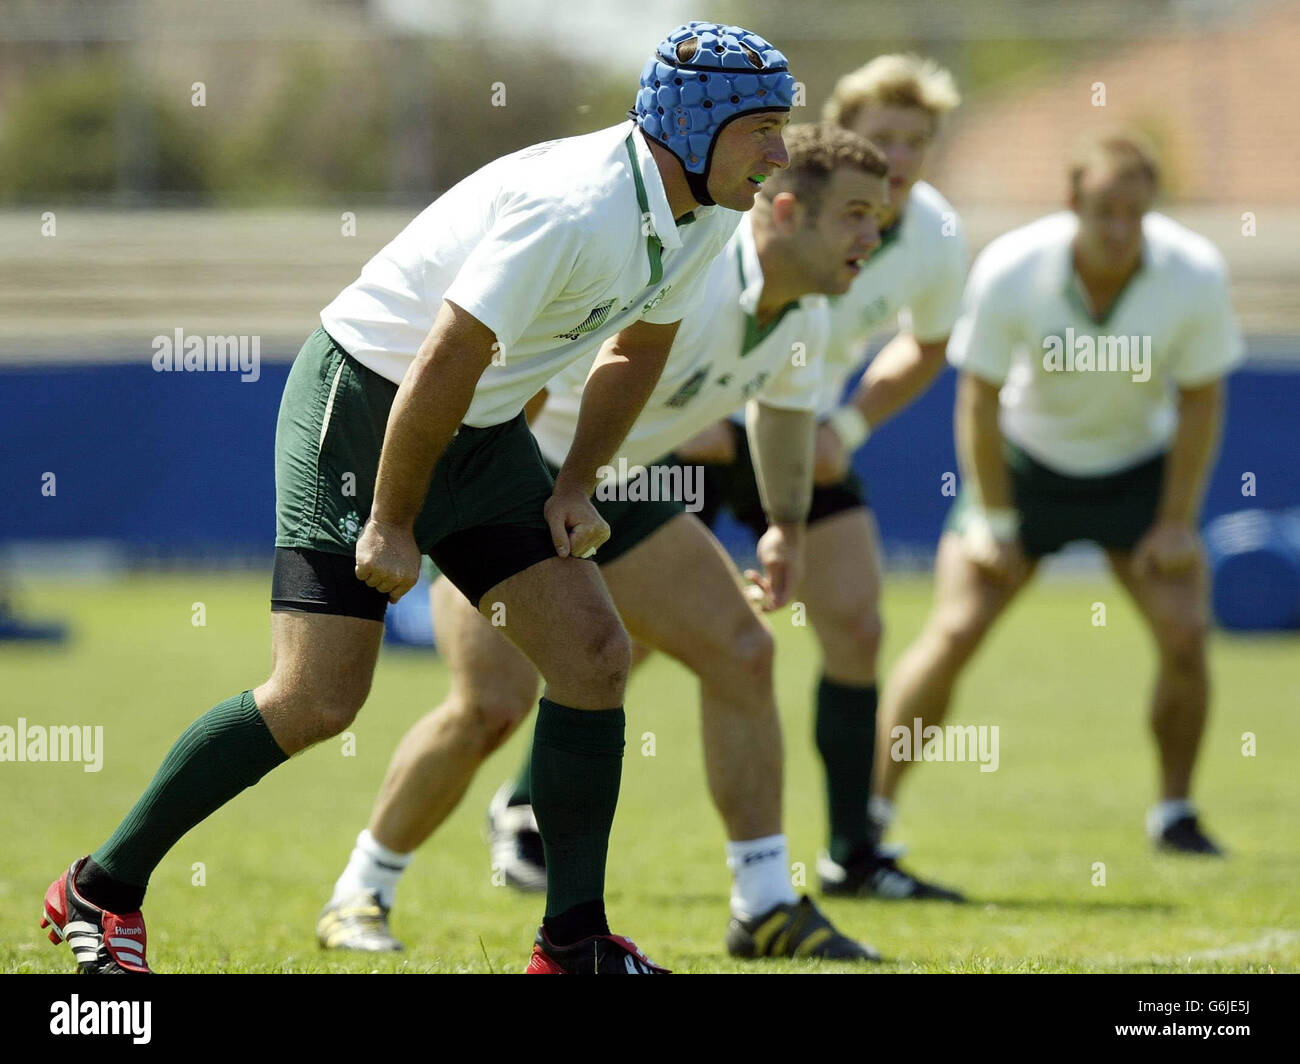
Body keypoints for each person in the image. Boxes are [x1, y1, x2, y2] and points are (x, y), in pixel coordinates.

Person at [40, 20, 795, 976]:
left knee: (595, 656)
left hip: (473, 428)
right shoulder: (574, 205)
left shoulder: (712, 212)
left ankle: (572, 944)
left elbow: (635, 348)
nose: (780, 152)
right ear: (693, 125)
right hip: (364, 408)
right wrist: (393, 522)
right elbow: (444, 355)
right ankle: (101, 889)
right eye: (763, 127)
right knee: (317, 699)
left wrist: (574, 483)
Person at [316, 123, 891, 964]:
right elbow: (533, 362)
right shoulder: (694, 266)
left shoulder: (800, 314)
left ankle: (764, 906)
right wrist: (478, 500)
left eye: (879, 218)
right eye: (856, 216)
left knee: (744, 652)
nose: (873, 237)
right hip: (514, 482)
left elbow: (785, 413)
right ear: (788, 212)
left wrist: (787, 529)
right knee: (489, 708)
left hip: (613, 491)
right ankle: (359, 893)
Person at [874, 129, 1242, 880]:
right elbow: (976, 399)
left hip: (1138, 473)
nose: (1118, 229)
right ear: (1073, 202)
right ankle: (869, 816)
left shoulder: (1194, 274)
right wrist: (997, 523)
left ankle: (1174, 812)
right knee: (953, 631)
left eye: (1134, 213)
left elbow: (1202, 399)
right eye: (1104, 210)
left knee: (1186, 631)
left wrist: (1175, 519)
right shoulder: (1012, 268)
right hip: (1024, 469)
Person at [673, 54, 969, 899]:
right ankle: (527, 811)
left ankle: (851, 850)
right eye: (883, 137)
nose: (902, 155)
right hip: (694, 427)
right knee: (638, 633)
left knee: (857, 624)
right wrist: (677, 410)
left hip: (794, 426)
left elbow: (932, 343)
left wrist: (850, 425)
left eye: (918, 140)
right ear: (842, 134)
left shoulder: (939, 234)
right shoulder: (770, 199)